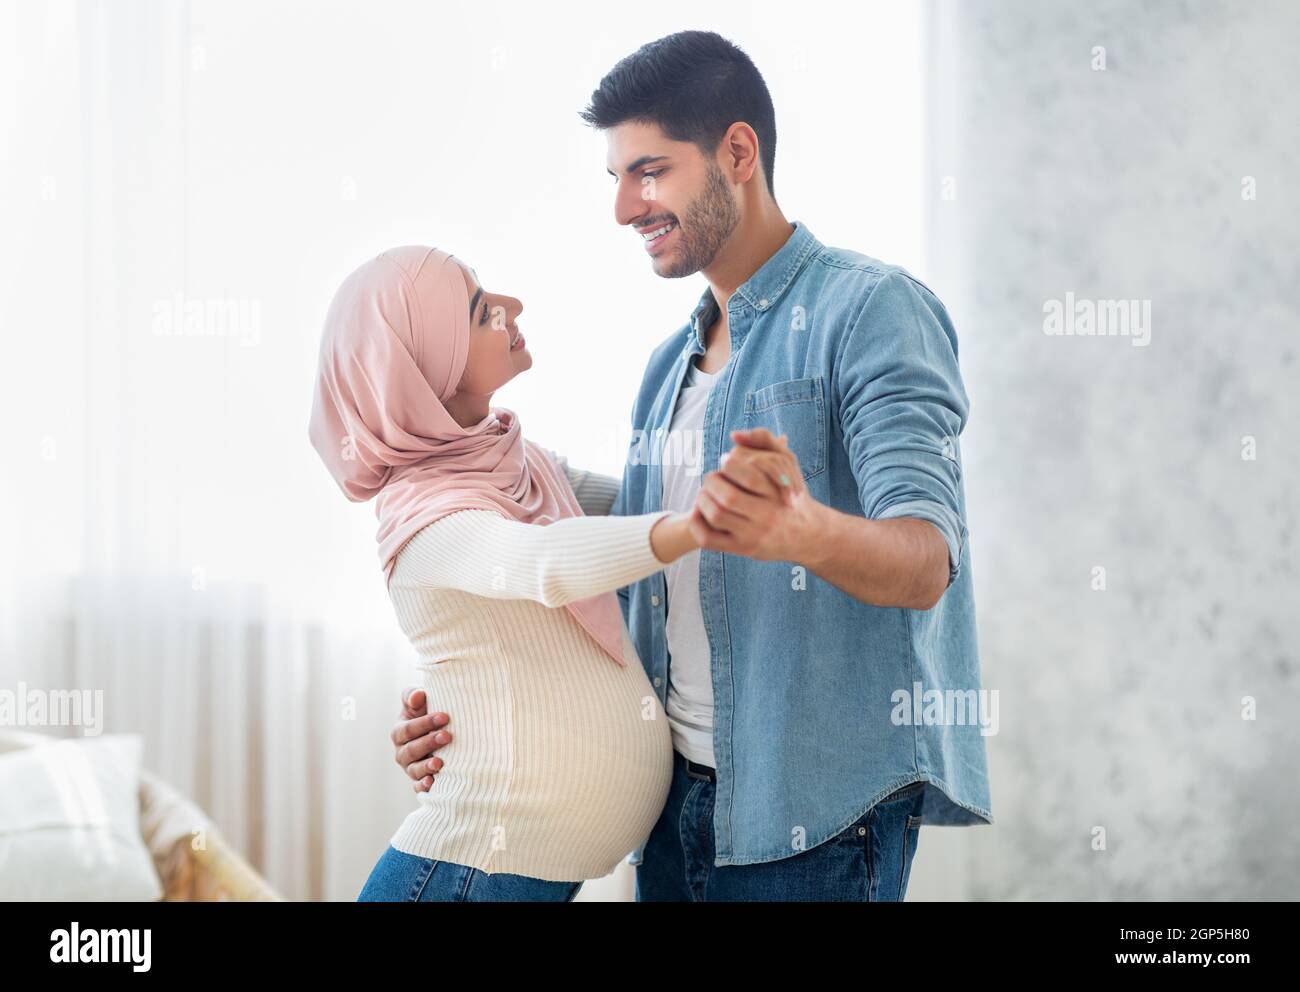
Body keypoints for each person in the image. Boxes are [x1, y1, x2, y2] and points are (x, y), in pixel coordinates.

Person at [392, 30, 994, 902]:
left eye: (649, 171)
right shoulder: (664, 368)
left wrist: (802, 530)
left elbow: (926, 561)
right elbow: (603, 530)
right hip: (674, 810)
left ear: (737, 153)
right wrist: (465, 710)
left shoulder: (871, 310)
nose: (624, 207)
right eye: (616, 179)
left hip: (814, 817)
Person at [309, 245, 797, 901]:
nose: (512, 309)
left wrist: (737, 492)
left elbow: (631, 508)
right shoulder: (427, 522)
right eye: (482, 311)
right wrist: (694, 526)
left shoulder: (515, 462)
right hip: (465, 874)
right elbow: (546, 562)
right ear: (432, 368)